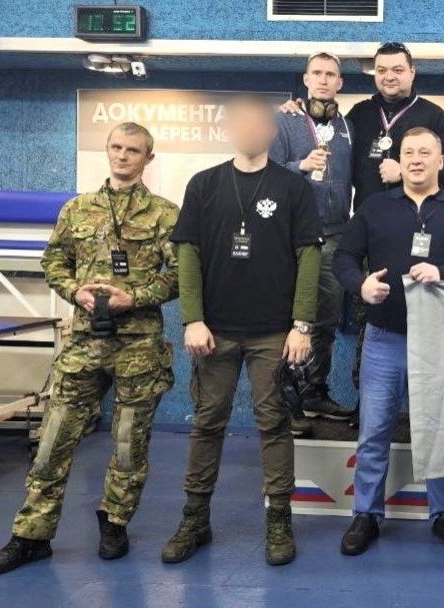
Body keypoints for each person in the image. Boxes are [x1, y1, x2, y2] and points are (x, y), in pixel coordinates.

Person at [0, 123, 179, 575]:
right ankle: (31, 536)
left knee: (128, 444)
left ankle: (114, 522)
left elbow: (180, 274)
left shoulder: (166, 215)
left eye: (133, 150)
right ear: (107, 150)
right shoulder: (77, 208)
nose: (123, 156)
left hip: (138, 345)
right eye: (116, 147)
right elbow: (53, 260)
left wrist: (135, 297)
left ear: (148, 158)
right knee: (53, 439)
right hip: (85, 340)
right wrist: (75, 292)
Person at [161, 95, 320, 567]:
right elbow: (187, 253)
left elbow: (309, 256)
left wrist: (301, 325)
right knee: (208, 422)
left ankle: (278, 520)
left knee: (274, 423)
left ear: (272, 132)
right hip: (215, 330)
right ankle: (195, 519)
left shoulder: (294, 187)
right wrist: (192, 318)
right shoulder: (204, 184)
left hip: (275, 332)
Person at [333, 127, 444, 556]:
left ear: (441, 161)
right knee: (374, 431)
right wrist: (360, 285)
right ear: (400, 160)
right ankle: (366, 514)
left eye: (425, 152)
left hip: (442, 343)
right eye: (409, 152)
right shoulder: (374, 207)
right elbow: (344, 258)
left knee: (441, 431)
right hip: (384, 339)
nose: (416, 159)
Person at [270, 51, 355, 423]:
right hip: (293, 236)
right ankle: (286, 400)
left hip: (335, 234)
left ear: (340, 83)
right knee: (291, 318)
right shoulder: (283, 121)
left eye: (330, 74)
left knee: (326, 320)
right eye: (317, 73)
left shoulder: (348, 127)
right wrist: (300, 166)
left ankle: (315, 392)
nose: (323, 79)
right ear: (305, 80)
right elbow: (265, 173)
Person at [346, 42, 444, 208]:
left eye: (397, 70)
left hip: (419, 217)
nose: (389, 77)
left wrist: (406, 173)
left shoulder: (434, 115)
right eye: (381, 70)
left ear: (412, 72)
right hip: (368, 216)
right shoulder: (359, 113)